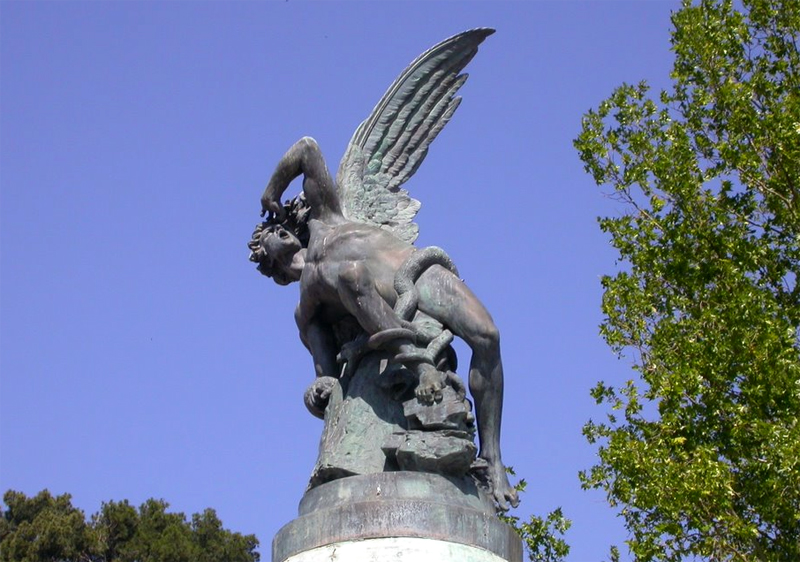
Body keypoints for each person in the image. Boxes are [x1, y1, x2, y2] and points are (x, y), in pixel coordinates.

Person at [251, 136, 519, 510]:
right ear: (276, 273)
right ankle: (422, 366)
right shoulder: (308, 306)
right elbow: (327, 378)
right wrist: (318, 391)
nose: (277, 234)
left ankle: (492, 456)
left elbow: (307, 149)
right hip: (392, 317)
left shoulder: (328, 218)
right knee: (350, 275)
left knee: (488, 336)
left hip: (419, 272)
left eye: (277, 229)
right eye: (267, 242)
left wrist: (271, 191)